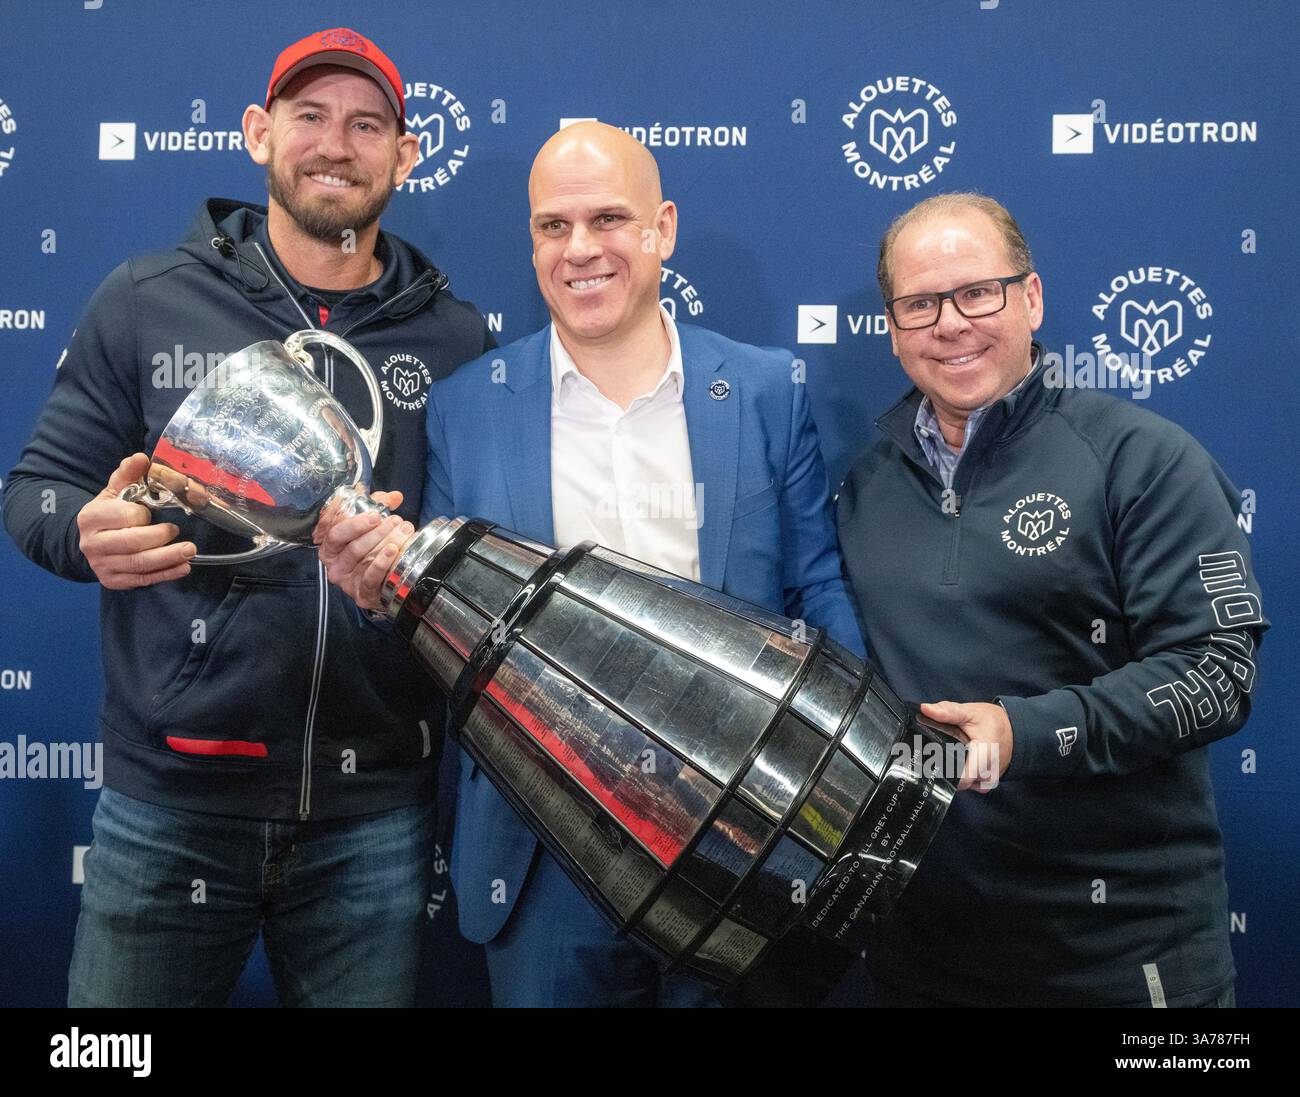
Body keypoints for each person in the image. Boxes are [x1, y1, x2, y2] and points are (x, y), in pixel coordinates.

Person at [316, 121, 863, 1007]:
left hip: (745, 841)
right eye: (552, 226)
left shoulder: (765, 389)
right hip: (541, 857)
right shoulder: (468, 408)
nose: (580, 250)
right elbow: (437, 623)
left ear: (663, 229)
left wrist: (853, 780)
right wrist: (379, 595)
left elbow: (817, 589)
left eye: (609, 218)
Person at [3, 27, 493, 1006]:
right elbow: (37, 490)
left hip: (374, 808)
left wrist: (418, 564)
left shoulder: (456, 335)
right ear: (258, 134)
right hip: (173, 799)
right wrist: (85, 532)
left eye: (367, 124)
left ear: (405, 154)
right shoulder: (147, 299)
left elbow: (479, 551)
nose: (334, 144)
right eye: (309, 116)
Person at [835, 193, 1266, 1007]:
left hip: (1122, 955)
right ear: (892, 329)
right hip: (920, 954)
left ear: (1030, 299)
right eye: (920, 303)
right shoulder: (863, 488)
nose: (950, 322)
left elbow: (1217, 675)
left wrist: (1020, 732)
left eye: (978, 292)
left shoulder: (1144, 459)